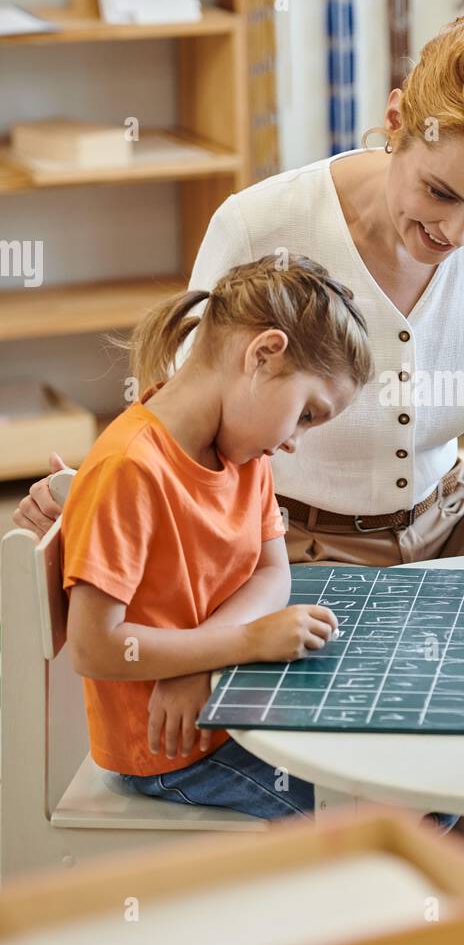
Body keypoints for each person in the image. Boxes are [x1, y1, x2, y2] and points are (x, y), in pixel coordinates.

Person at [17, 2, 464, 613]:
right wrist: (98, 492)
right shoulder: (261, 224)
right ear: (398, 121)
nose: (456, 234)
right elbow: (179, 426)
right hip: (290, 552)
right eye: (440, 192)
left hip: (452, 528)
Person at [60, 255, 372, 821]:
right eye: (306, 413)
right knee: (394, 814)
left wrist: (199, 662)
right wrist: (243, 644)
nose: (295, 442)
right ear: (263, 355)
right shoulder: (130, 467)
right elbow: (94, 646)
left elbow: (271, 571)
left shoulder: (241, 449)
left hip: (231, 707)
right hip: (173, 753)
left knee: (403, 784)